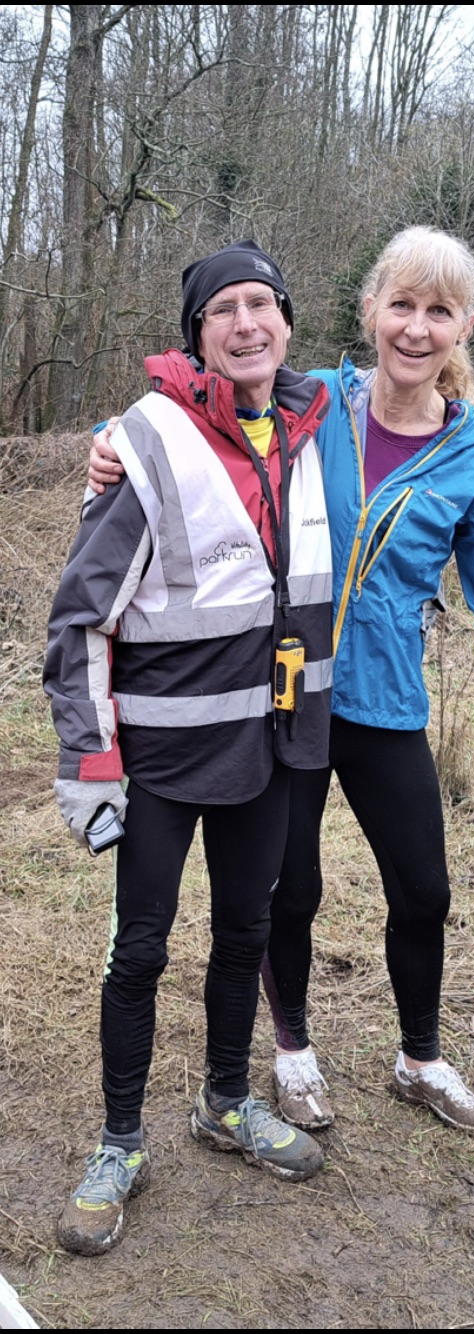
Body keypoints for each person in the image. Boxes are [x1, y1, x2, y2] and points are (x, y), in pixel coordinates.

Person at [88, 226, 474, 1141]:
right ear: (370, 312)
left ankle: (420, 1059)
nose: (416, 328)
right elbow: (190, 419)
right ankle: (291, 1053)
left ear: (465, 326)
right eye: (401, 304)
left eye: (438, 311)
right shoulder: (312, 397)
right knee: (292, 887)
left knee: (425, 890)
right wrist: (103, 444)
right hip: (288, 695)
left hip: (386, 700)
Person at [45, 239, 334, 1256]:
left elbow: (414, 405)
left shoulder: (313, 421)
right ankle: (120, 1139)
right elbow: (79, 620)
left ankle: (222, 1099)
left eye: (264, 303)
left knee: (246, 932)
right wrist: (88, 758)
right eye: (226, 310)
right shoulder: (149, 439)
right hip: (163, 760)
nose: (248, 322)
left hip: (271, 746)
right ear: (199, 335)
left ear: (289, 322)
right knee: (142, 948)